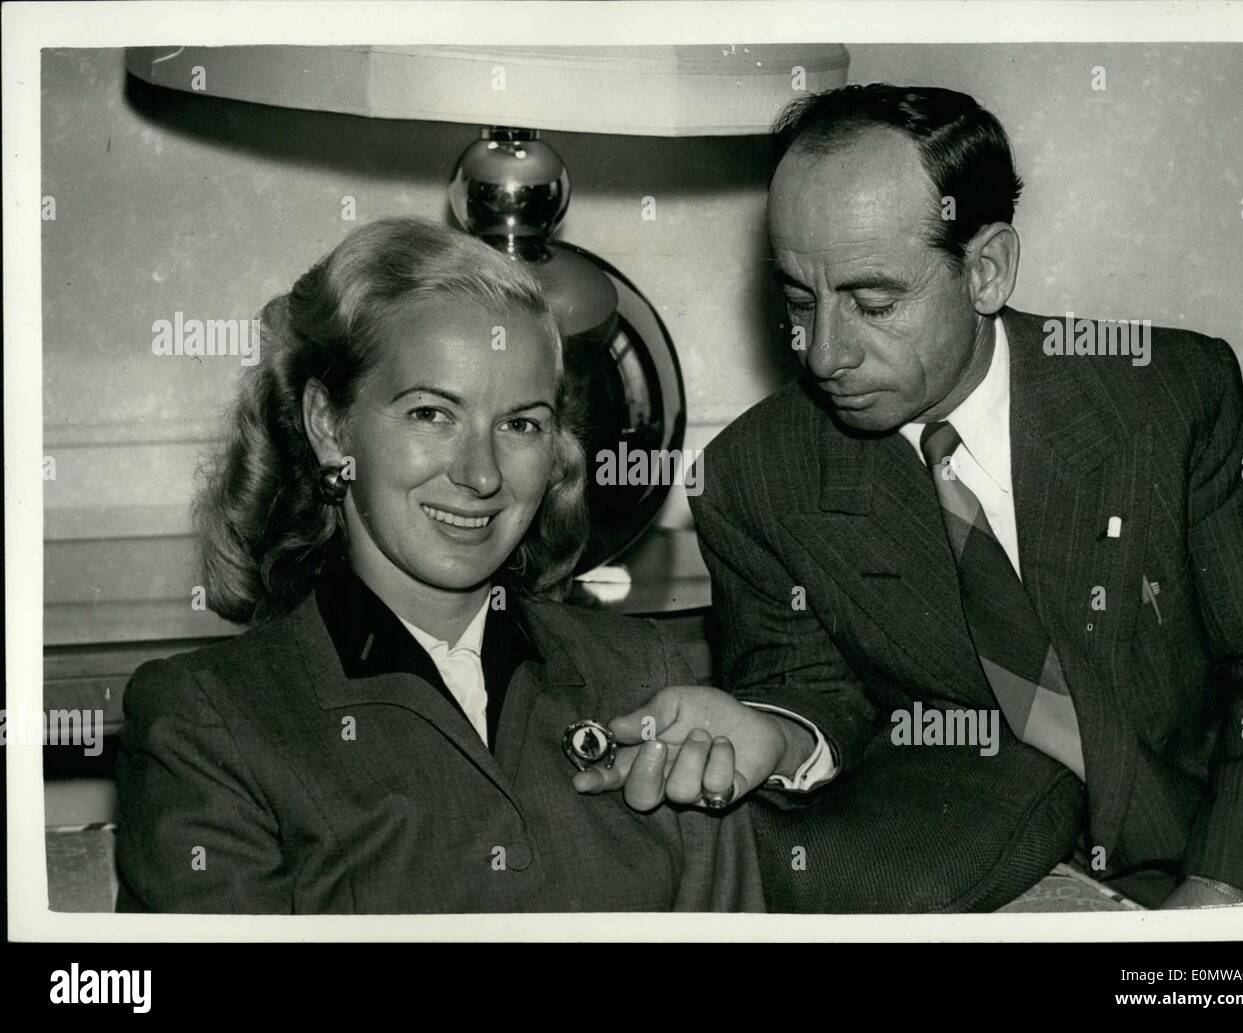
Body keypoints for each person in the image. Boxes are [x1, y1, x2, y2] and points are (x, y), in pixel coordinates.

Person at [584, 84, 1243, 912]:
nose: (824, 352)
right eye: (799, 301)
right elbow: (811, 689)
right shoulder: (755, 475)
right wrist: (772, 730)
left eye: (874, 303)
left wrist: (1225, 890)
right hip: (1005, 859)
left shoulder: (1172, 399)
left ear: (986, 270)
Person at [114, 217, 763, 914]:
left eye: (521, 424)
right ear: (329, 427)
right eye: (431, 414)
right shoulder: (208, 728)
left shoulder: (642, 675)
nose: (480, 475)